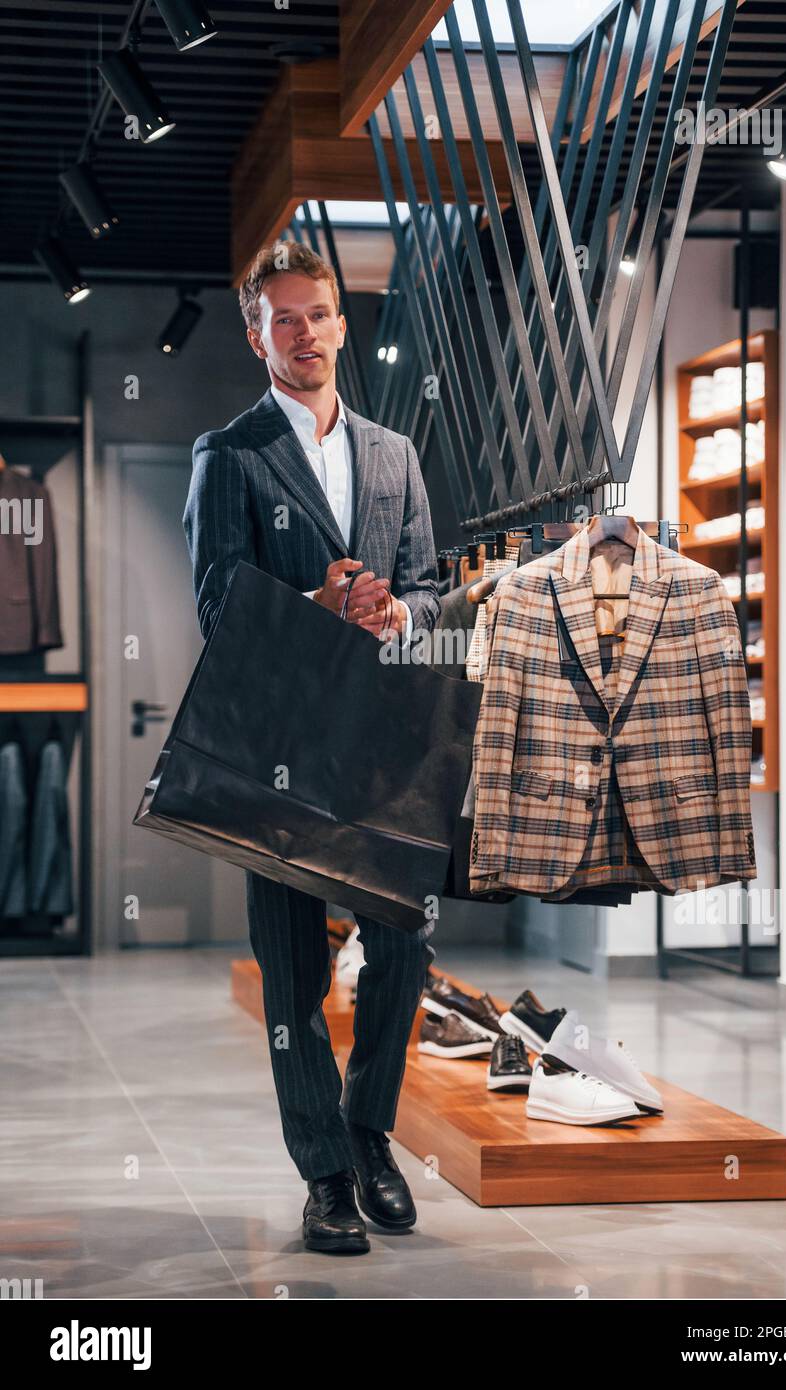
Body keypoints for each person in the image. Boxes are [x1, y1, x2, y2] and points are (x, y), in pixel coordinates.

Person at [182, 240, 440, 1255]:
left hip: (381, 739)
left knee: (405, 938)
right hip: (277, 743)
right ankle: (325, 1172)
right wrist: (312, 602)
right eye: (281, 319)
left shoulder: (395, 455)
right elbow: (215, 602)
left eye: (317, 313)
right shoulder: (230, 453)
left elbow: (424, 582)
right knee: (290, 966)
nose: (304, 333)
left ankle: (371, 1134)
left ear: (342, 323)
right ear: (257, 338)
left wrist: (396, 617)